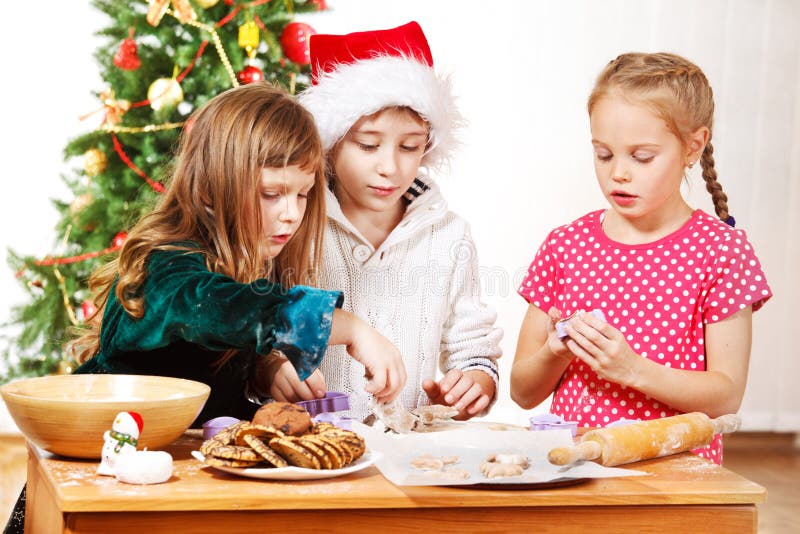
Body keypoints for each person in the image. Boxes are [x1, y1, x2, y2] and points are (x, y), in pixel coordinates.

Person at [67, 81, 407, 425]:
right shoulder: (166, 268)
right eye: (271, 193)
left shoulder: (245, 260)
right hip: (103, 451)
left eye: (302, 194)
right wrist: (346, 326)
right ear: (209, 191)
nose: (291, 213)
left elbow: (213, 361)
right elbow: (218, 307)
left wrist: (267, 369)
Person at [510, 52, 772, 464]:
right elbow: (522, 392)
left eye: (642, 156)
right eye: (604, 154)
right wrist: (554, 352)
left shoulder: (722, 251)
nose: (619, 173)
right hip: (579, 472)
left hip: (677, 474)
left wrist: (632, 369)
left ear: (693, 146)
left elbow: (726, 396)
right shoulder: (565, 246)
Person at [276, 21, 502, 422]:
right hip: (307, 452)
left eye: (410, 146)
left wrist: (473, 383)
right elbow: (255, 319)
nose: (390, 167)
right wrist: (268, 368)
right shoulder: (291, 221)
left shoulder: (449, 235)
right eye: (368, 144)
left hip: (408, 453)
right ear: (331, 141)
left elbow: (472, 349)